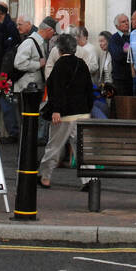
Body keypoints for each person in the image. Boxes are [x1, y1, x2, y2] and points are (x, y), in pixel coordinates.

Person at [39, 34, 95, 189]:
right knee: (81, 147)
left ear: (59, 49)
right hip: (82, 113)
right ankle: (90, 180)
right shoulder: (82, 64)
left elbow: (56, 90)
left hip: (64, 115)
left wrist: (56, 110)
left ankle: (45, 177)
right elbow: (89, 89)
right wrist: (88, 108)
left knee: (54, 146)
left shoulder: (59, 65)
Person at [108, 13, 132, 98]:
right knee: (120, 105)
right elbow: (117, 56)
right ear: (117, 26)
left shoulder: (133, 36)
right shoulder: (114, 38)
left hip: (132, 78)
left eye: (127, 21)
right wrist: (126, 49)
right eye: (123, 22)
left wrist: (126, 50)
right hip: (120, 79)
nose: (126, 23)